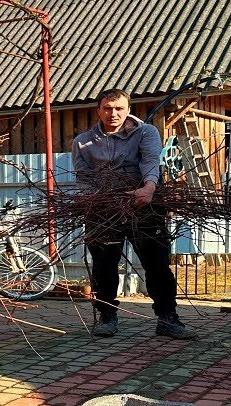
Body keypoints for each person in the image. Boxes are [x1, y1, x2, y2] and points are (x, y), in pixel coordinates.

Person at [72, 88, 196, 339]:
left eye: (119, 108)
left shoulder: (146, 133)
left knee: (157, 264)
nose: (113, 113)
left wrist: (149, 187)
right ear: (99, 110)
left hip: (144, 204)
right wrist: (95, 198)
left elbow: (150, 161)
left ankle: (167, 317)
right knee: (104, 266)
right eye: (107, 108)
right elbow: (84, 178)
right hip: (103, 209)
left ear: (128, 110)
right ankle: (107, 316)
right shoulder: (83, 142)